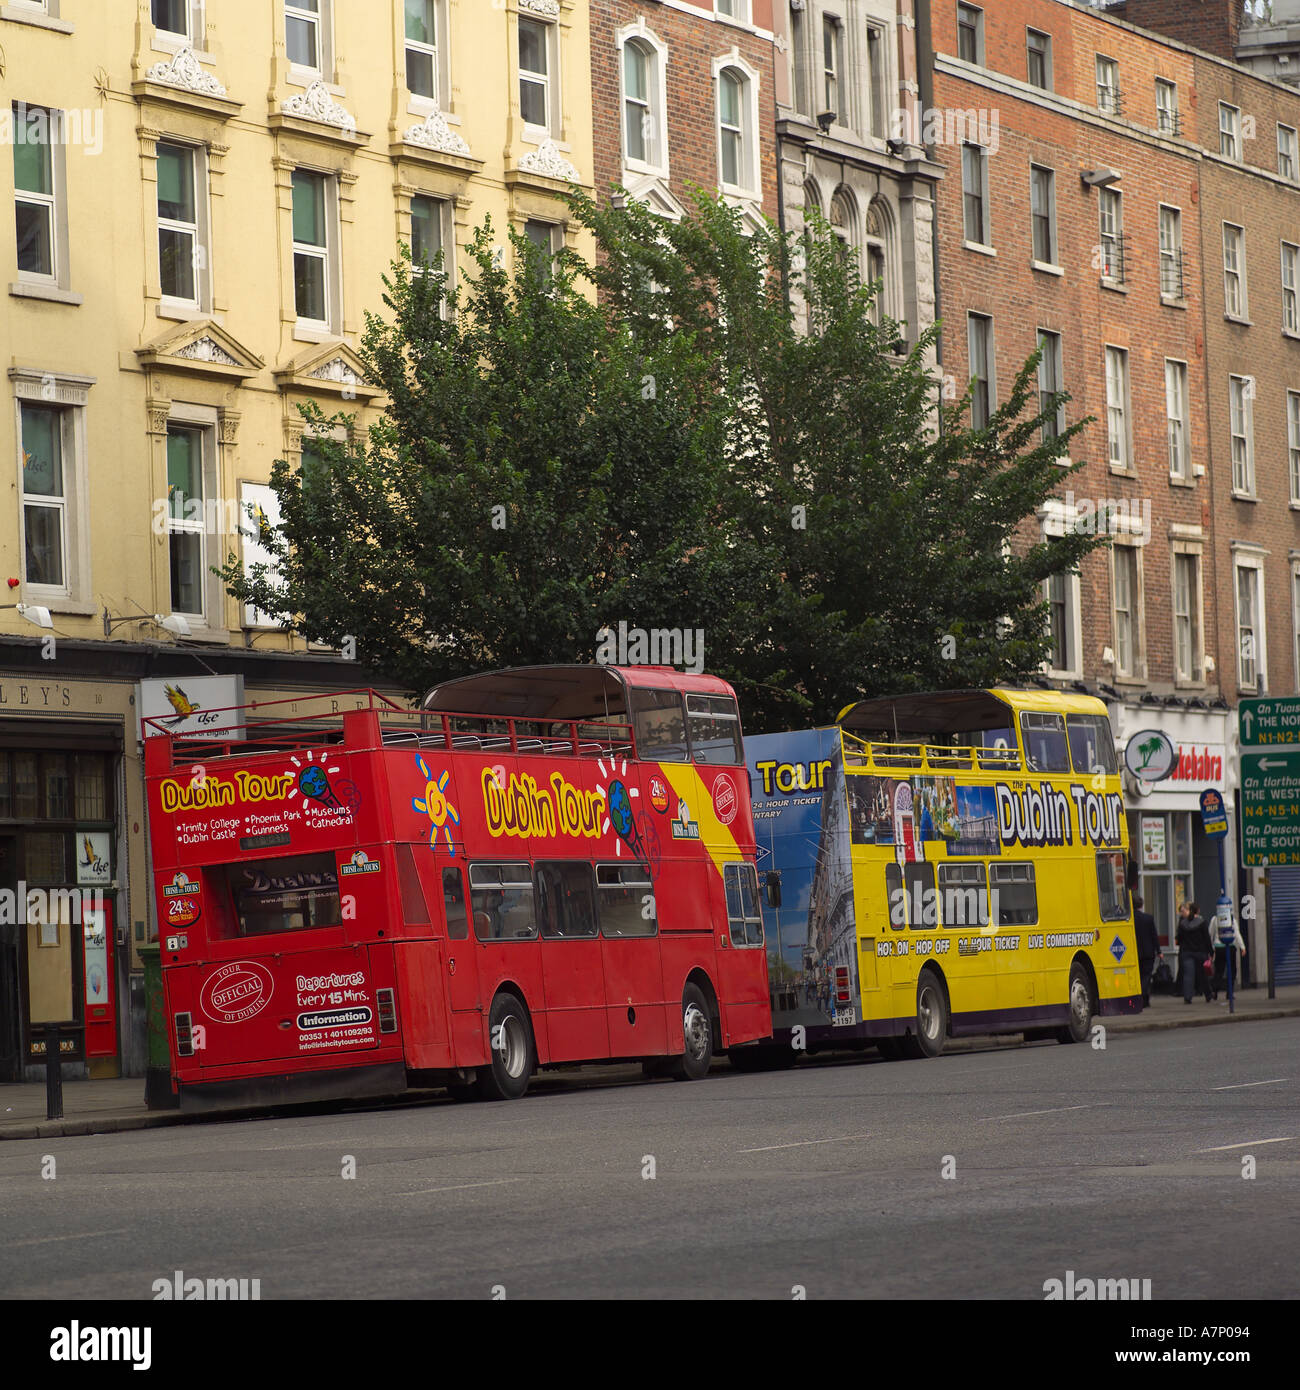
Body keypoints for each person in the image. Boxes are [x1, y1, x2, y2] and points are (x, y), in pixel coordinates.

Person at [1176, 900, 1212, 1004]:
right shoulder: (1202, 923)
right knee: (1203, 974)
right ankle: (1208, 994)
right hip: (1201, 952)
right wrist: (1210, 952)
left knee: (1188, 975)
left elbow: (1179, 938)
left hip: (1187, 952)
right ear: (1198, 911)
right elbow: (1207, 938)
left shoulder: (1183, 924)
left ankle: (1187, 997)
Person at [1132, 893, 1159, 1008]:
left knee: (1137, 975)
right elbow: (1154, 936)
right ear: (1141, 905)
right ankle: (1145, 997)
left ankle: (1140, 997)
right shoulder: (1148, 918)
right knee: (1146, 975)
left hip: (1134, 952)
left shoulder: (1130, 920)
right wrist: (1159, 951)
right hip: (1148, 952)